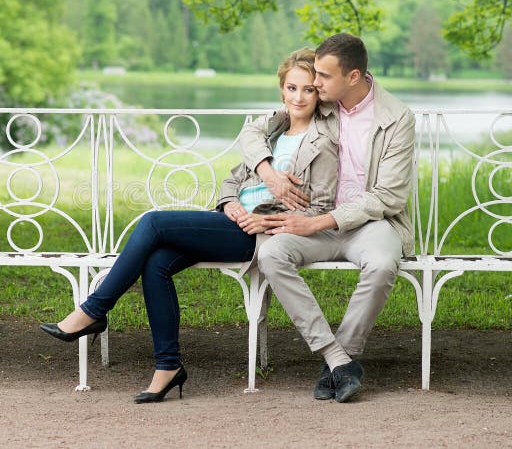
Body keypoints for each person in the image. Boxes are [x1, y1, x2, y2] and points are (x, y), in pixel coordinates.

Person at [40, 48, 339, 403]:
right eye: (291, 88)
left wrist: (263, 220)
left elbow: (319, 208)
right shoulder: (270, 132)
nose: (299, 97)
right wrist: (229, 205)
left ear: (319, 93)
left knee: (152, 222)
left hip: (258, 234)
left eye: (308, 89)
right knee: (156, 263)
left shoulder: (323, 141)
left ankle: (93, 311)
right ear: (281, 90)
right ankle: (168, 367)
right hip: (230, 221)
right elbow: (231, 183)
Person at [238, 33, 415, 403]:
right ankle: (336, 359)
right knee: (271, 254)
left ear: (353, 77)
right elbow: (254, 130)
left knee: (383, 264)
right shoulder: (322, 104)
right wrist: (269, 173)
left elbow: (388, 196)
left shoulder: (396, 118)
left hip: (370, 224)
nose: (313, 83)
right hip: (314, 216)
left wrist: (319, 223)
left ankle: (340, 359)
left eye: (322, 76)